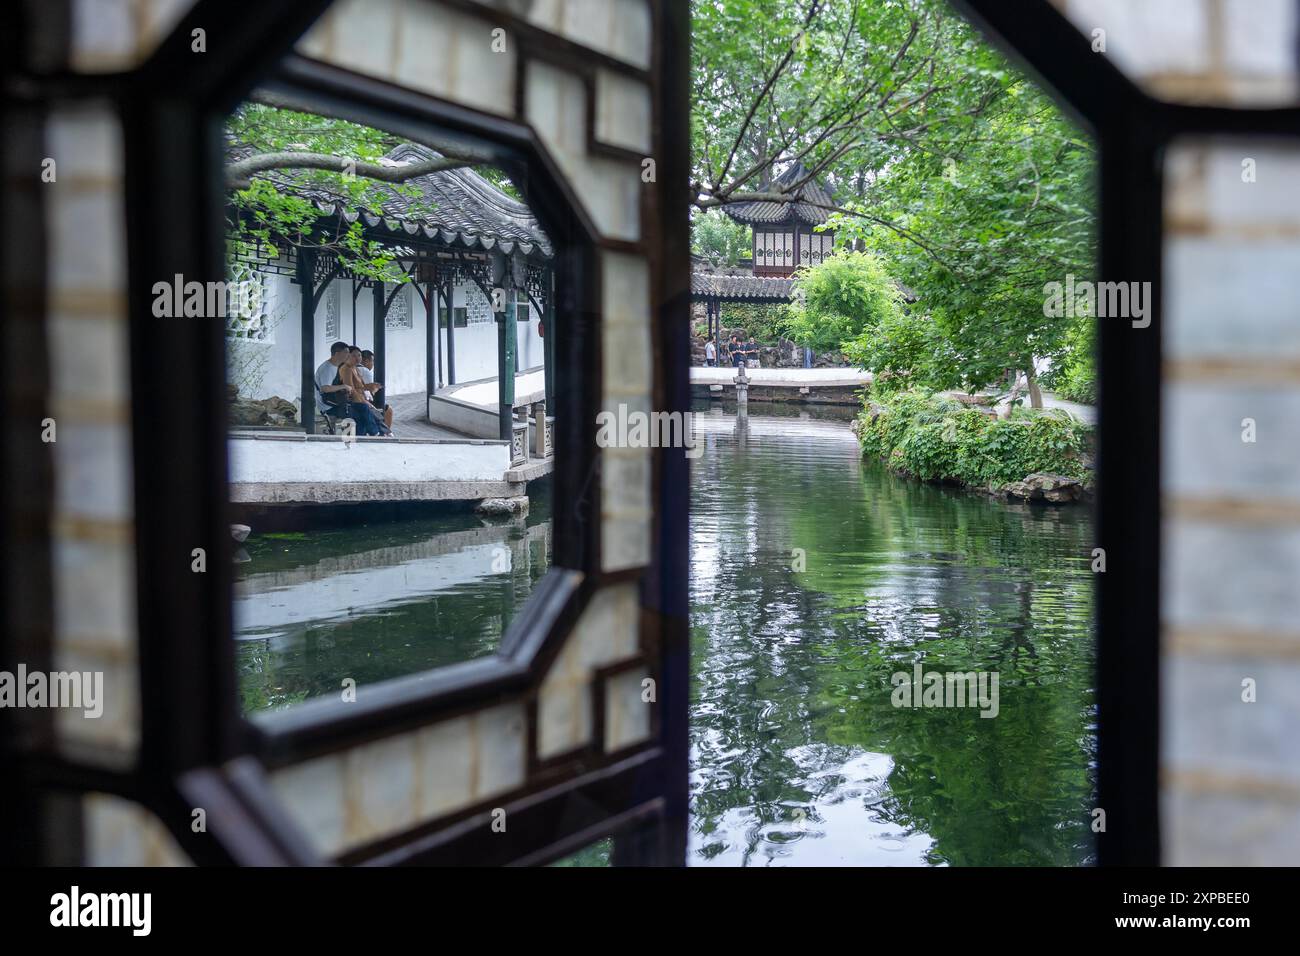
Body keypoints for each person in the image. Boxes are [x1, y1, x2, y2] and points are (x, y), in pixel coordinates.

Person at [314, 342, 380, 436]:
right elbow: (325, 389)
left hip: (338, 401)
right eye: (346, 352)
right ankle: (366, 436)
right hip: (329, 405)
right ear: (337, 353)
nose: (348, 355)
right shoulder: (327, 368)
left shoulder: (336, 366)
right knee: (358, 415)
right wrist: (344, 386)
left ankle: (374, 433)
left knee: (363, 408)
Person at [358, 349, 394, 433]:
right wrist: (376, 388)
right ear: (366, 361)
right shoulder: (365, 371)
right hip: (362, 401)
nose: (373, 364)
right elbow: (370, 391)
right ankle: (385, 432)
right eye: (372, 361)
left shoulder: (352, 369)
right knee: (388, 409)